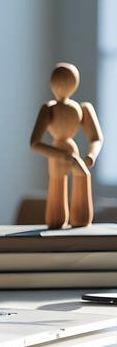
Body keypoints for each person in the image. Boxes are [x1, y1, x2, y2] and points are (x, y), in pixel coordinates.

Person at [30, 62, 103, 228]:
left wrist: (90, 156)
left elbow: (96, 138)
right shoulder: (48, 109)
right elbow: (34, 143)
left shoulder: (82, 108)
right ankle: (58, 220)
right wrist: (61, 155)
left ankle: (80, 220)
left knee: (83, 177)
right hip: (58, 155)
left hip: (73, 153)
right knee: (57, 189)